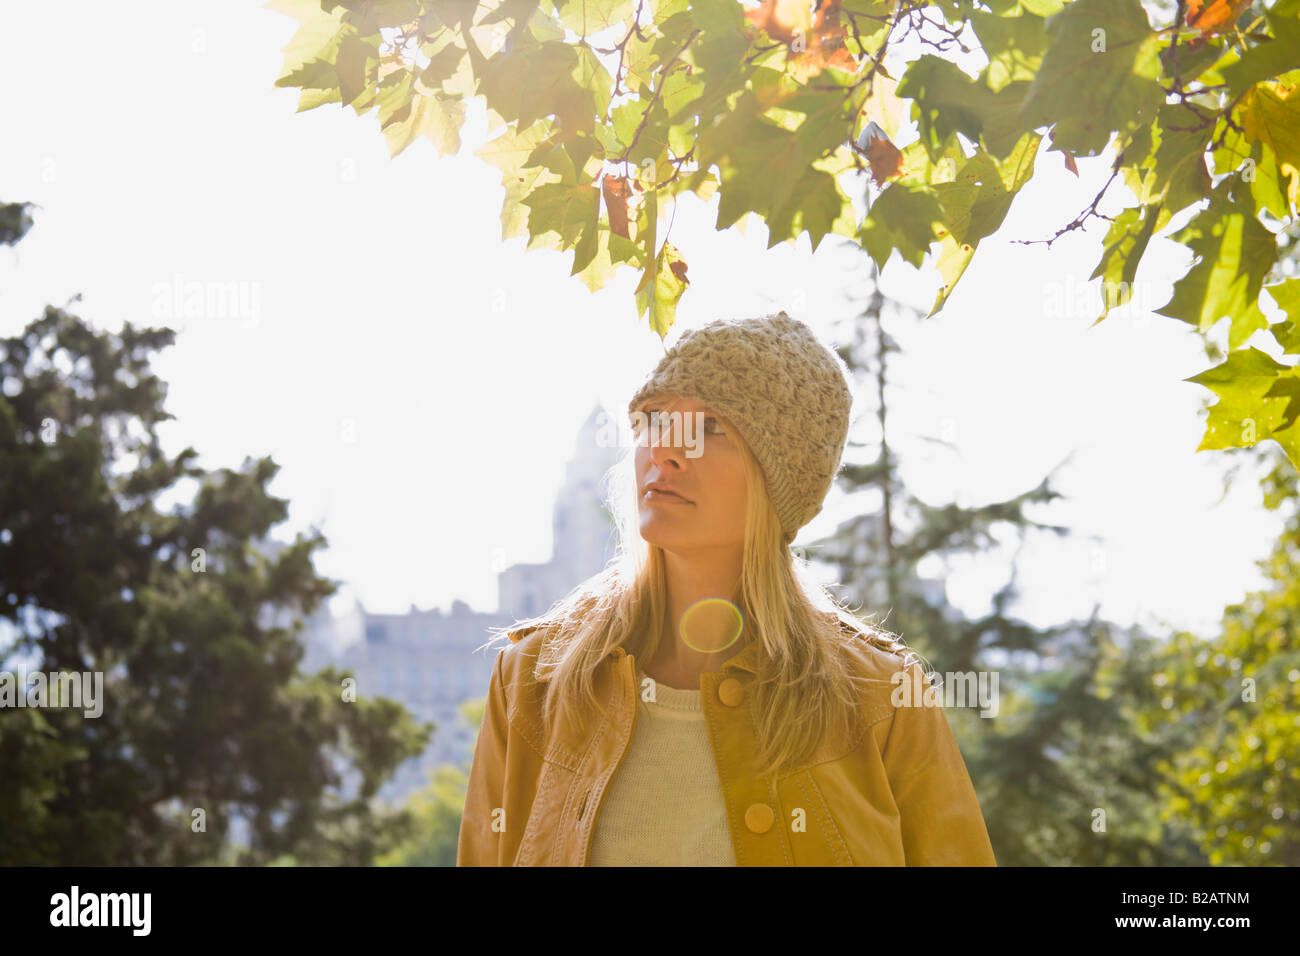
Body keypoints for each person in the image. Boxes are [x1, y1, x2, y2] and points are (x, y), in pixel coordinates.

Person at [457, 311, 997, 866]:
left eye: (710, 429)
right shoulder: (532, 683)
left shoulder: (883, 699)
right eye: (654, 421)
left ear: (781, 479)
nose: (665, 450)